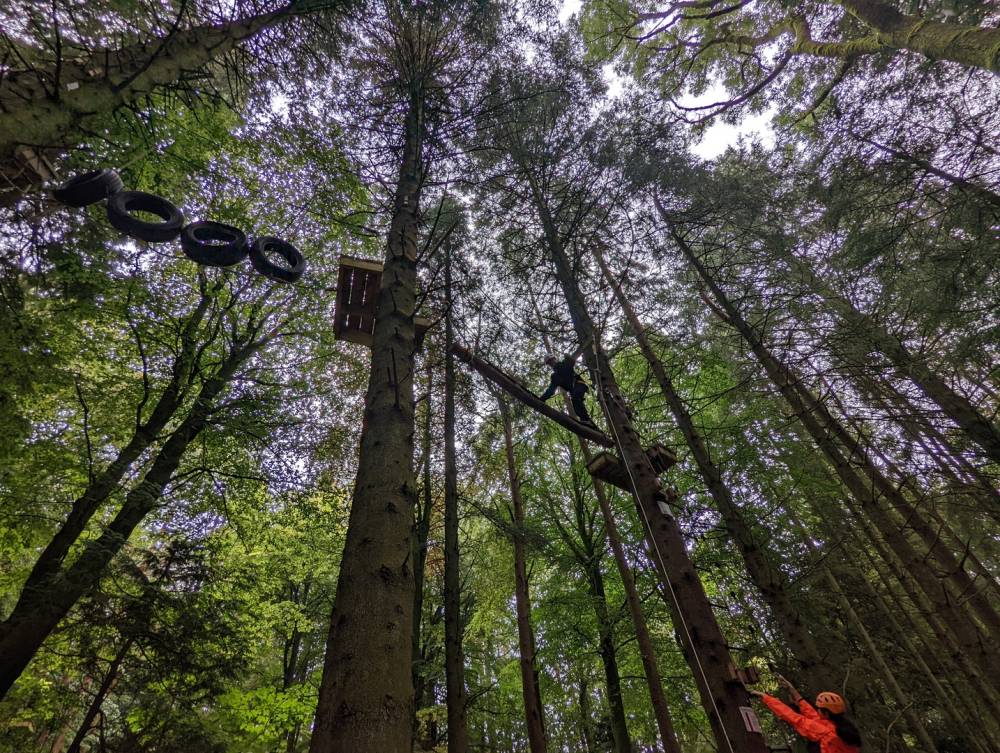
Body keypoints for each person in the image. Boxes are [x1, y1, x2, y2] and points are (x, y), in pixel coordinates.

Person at [748, 674, 862, 753]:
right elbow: (811, 714)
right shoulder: (839, 727)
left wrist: (765, 697)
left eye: (819, 708)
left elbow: (792, 717)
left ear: (826, 713)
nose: (816, 710)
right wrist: (792, 689)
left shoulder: (824, 732)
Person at [539, 352, 595, 427]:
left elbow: (572, 360)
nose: (551, 363)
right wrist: (542, 398)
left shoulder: (564, 364)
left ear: (555, 359)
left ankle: (585, 420)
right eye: (549, 363)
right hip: (573, 390)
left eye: (551, 360)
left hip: (579, 384)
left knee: (575, 398)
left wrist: (567, 356)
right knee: (575, 401)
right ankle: (587, 421)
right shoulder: (555, 377)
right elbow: (550, 390)